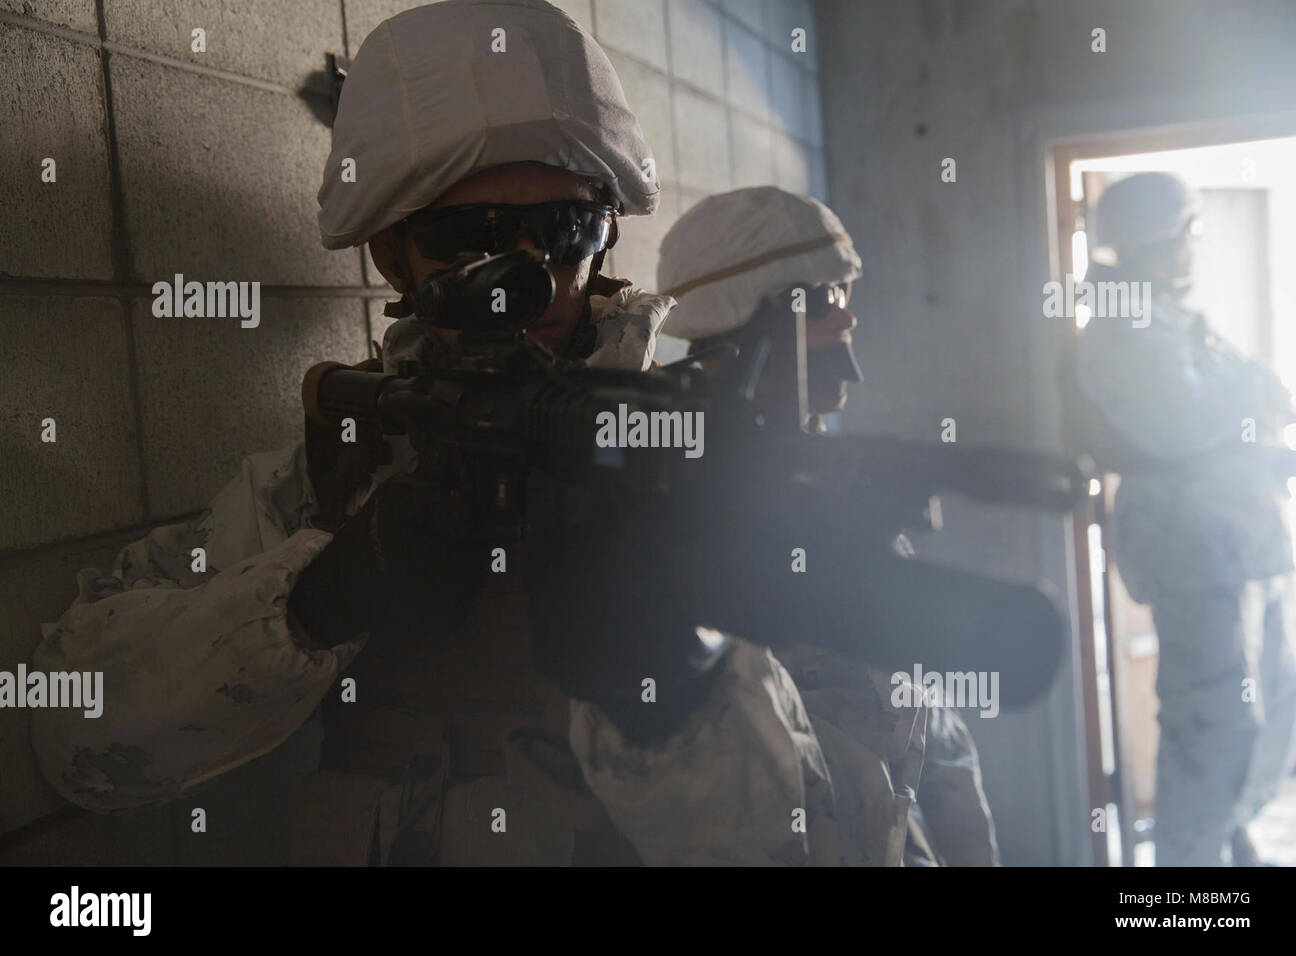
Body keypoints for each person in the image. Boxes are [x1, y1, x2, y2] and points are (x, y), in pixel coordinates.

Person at [27, 0, 912, 866]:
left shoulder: (704, 461)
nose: (523, 277)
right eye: (468, 235)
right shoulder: (337, 475)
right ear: (389, 254)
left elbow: (861, 835)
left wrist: (680, 688)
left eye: (564, 229)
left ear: (603, 239)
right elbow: (76, 741)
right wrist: (315, 597)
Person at [657, 185, 1000, 866]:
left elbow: (933, 729)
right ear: (754, 321)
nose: (845, 327)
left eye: (843, 300)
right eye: (823, 302)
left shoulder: (833, 485)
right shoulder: (676, 500)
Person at [1073, 171, 1296, 865]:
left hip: (1242, 544)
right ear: (1152, 242)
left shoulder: (1173, 320)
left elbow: (1271, 397)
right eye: (1186, 233)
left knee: (1275, 715)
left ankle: (1223, 835)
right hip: (1195, 551)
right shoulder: (1121, 326)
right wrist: (1246, 407)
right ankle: (1185, 891)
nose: (1193, 248)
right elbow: (1180, 423)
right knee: (1212, 728)